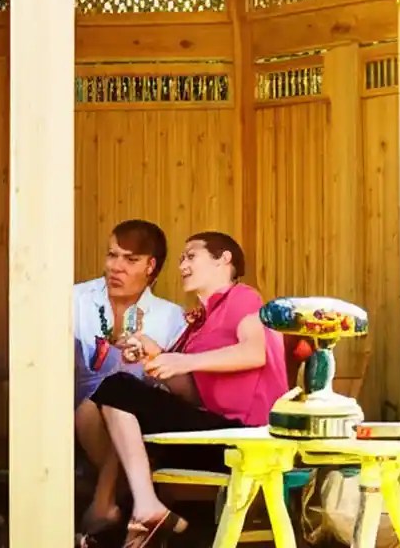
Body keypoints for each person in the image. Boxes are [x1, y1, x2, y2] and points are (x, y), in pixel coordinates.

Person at [88, 232, 290, 548]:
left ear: (224, 260)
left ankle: (133, 515)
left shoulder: (243, 297)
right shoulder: (200, 325)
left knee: (117, 390)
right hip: (213, 432)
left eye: (191, 256)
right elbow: (193, 396)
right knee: (119, 395)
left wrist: (183, 361)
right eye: (181, 258)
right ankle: (132, 518)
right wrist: (155, 356)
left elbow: (255, 352)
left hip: (248, 438)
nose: (182, 264)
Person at [73, 220, 187, 540]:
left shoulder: (171, 317)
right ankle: (132, 500)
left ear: (151, 266)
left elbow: (173, 387)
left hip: (141, 425)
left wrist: (152, 356)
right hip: (76, 420)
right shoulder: (75, 299)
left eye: (130, 259)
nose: (116, 267)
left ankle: (106, 504)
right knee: (86, 408)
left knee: (120, 403)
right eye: (112, 255)